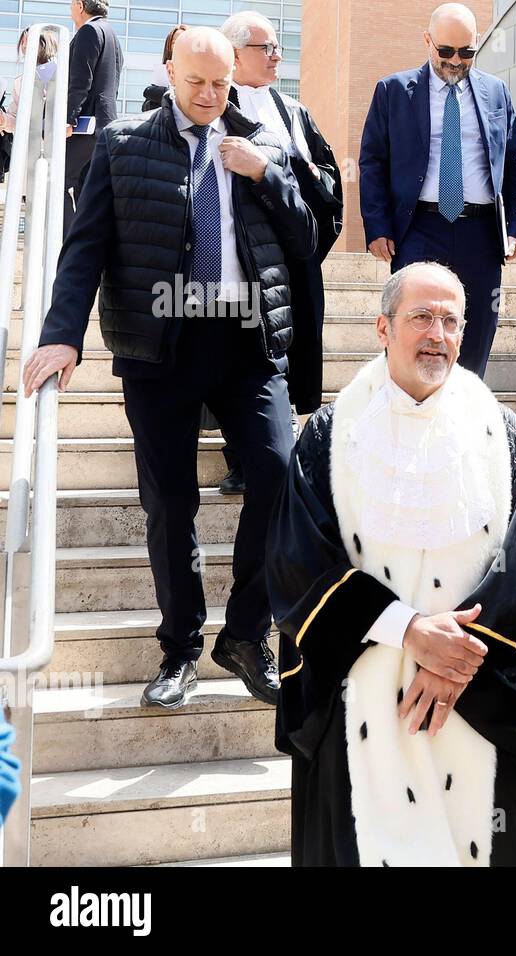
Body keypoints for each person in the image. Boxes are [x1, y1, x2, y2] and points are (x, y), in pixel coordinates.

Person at [22, 27, 316, 711]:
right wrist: (63, 334)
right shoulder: (125, 144)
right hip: (161, 348)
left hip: (248, 344)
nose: (211, 96)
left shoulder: (262, 142)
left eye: (222, 84)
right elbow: (85, 245)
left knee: (277, 475)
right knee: (170, 504)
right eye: (197, 83)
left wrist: (267, 176)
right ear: (169, 72)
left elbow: (305, 238)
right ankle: (180, 648)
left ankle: (246, 634)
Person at [266, 261, 516, 866]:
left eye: (451, 320)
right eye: (421, 317)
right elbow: (298, 562)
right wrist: (406, 631)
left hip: (471, 690)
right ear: (382, 327)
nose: (438, 334)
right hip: (361, 694)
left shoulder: (503, 433)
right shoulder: (328, 435)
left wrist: (453, 659)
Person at [358, 2, 516, 379]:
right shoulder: (393, 91)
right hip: (418, 228)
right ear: (427, 41)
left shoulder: (496, 92)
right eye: (446, 51)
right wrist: (377, 226)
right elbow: (373, 161)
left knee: (476, 332)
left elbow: (513, 163)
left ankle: (463, 421)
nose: (456, 60)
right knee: (413, 330)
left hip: (481, 233)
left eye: (466, 52)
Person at [215, 10, 344, 496]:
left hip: (291, 250)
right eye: (265, 48)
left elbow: (327, 173)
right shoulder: (214, 104)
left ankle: (279, 443)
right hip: (238, 251)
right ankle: (240, 456)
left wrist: (305, 174)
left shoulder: (291, 110)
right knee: (238, 348)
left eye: (276, 48)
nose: (275, 56)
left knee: (291, 348)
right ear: (234, 54)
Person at [64, 1, 121, 214]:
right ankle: (88, 245)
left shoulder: (89, 30)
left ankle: (69, 243)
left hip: (84, 126)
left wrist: (67, 119)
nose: (70, 11)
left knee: (57, 182)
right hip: (103, 127)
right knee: (87, 193)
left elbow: (80, 82)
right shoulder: (112, 35)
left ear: (80, 5)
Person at [0, 27, 61, 184]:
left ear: (44, 44)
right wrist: (4, 120)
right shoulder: (20, 80)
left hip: (53, 149)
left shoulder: (58, 73)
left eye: (29, 41)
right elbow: (16, 117)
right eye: (23, 42)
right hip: (28, 151)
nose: (25, 46)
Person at [141, 24, 187, 112]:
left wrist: (169, 93)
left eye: (183, 41)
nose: (179, 45)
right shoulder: (161, 72)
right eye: (175, 42)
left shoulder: (199, 71)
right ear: (169, 47)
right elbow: (146, 108)